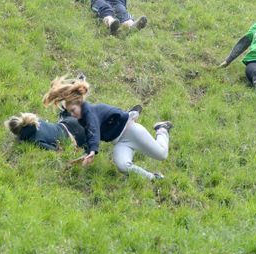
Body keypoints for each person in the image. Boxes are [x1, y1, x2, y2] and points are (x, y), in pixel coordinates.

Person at [41, 75, 173, 180]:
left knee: (162, 155)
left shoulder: (89, 112)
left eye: (73, 110)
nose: (72, 114)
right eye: (70, 112)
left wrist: (93, 151)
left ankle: (162, 129)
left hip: (132, 132)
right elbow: (89, 134)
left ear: (80, 103)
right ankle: (153, 178)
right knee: (123, 166)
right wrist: (87, 154)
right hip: (120, 142)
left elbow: (93, 130)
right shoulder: (82, 118)